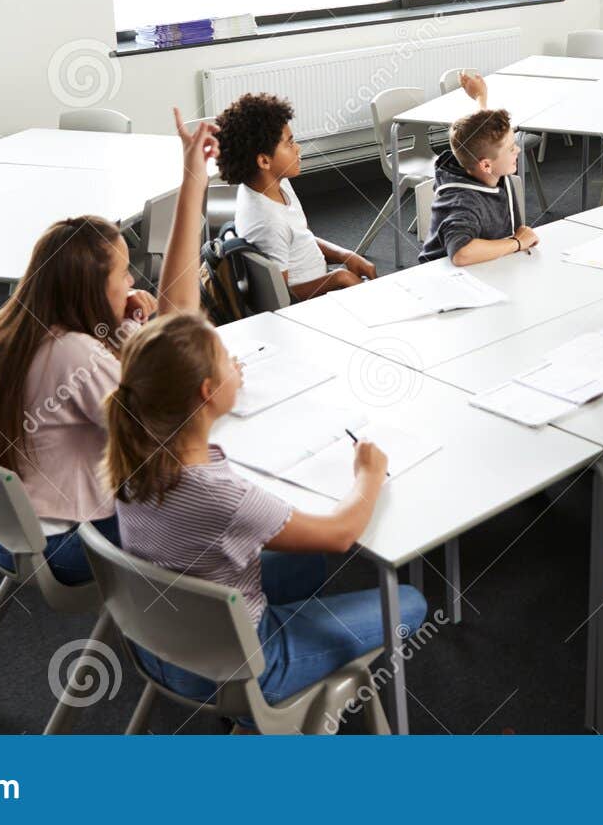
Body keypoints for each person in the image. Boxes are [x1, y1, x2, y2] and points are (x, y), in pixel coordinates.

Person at [103, 110, 426, 717]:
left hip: (161, 646)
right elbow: (339, 534)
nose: (239, 363)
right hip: (245, 667)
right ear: (203, 393)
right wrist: (369, 474)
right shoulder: (220, 492)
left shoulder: (136, 450)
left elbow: (177, 318)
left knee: (297, 560)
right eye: (227, 359)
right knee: (408, 603)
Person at [0, 213, 156, 584]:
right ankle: (180, 630)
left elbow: (103, 377)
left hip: (4, 530)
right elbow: (152, 430)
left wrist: (127, 324)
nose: (132, 282)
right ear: (92, 288)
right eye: (124, 273)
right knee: (201, 526)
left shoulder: (12, 328)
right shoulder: (76, 353)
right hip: (61, 547)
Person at [215, 93, 377, 300]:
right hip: (310, 305)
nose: (297, 148)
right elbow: (278, 297)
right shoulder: (268, 222)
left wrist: (344, 255)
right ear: (264, 161)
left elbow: (301, 237)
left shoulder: (273, 184)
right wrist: (337, 279)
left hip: (323, 284)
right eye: (290, 143)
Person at [418, 71, 539, 264]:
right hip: (450, 278)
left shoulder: (475, 159)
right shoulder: (461, 201)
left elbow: (481, 134)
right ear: (486, 165)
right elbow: (461, 253)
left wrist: (481, 97)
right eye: (510, 148)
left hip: (488, 265)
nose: (517, 149)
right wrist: (517, 242)